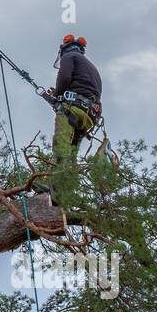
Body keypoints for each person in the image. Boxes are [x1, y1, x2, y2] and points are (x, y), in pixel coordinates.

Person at [43, 34, 103, 198]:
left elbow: (64, 78)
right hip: (89, 117)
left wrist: (58, 94)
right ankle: (68, 190)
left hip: (72, 109)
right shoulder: (92, 68)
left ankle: (54, 188)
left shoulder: (69, 56)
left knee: (61, 146)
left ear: (64, 49)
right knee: (72, 154)